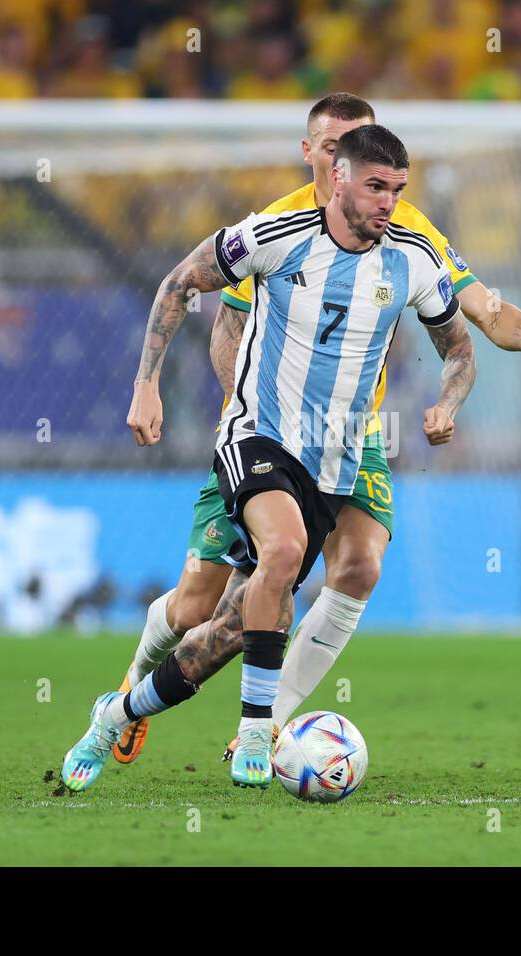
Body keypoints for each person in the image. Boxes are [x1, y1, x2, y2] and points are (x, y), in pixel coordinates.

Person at [108, 92, 521, 767]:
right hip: (267, 431)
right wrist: (255, 425)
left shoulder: (405, 228)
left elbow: (477, 310)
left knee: (359, 565)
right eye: (333, 148)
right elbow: (226, 329)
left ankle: (265, 728)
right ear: (317, 156)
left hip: (355, 435)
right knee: (203, 610)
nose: (355, 167)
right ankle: (133, 686)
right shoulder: (278, 227)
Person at [62, 124, 477, 790]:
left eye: (397, 190)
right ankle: (258, 730)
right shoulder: (275, 235)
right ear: (337, 177)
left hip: (333, 462)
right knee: (281, 553)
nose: (388, 203)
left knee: (228, 629)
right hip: (259, 435)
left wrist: (447, 404)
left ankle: (115, 714)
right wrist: (146, 384)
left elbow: (458, 349)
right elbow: (180, 282)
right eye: (376, 186)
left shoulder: (415, 260)